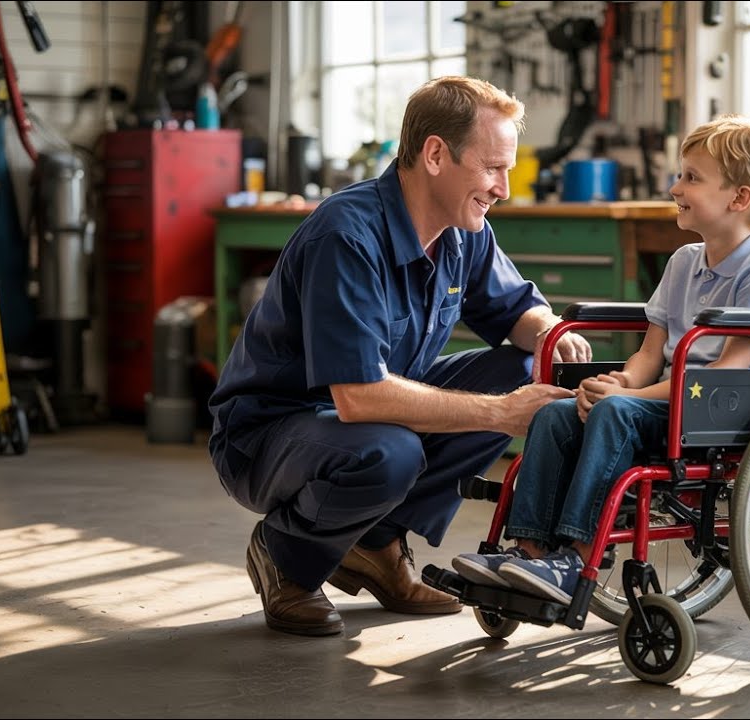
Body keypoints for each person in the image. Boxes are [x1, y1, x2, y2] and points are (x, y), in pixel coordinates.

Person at [208, 76, 591, 637]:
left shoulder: (465, 229)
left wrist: (555, 335)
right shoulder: (347, 235)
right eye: (492, 168)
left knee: (523, 367)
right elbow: (359, 397)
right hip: (269, 434)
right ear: (436, 154)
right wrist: (502, 415)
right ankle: (286, 558)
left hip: (361, 419)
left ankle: (376, 543)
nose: (504, 188)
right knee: (390, 451)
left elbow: (516, 312)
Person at [451, 114, 750, 604]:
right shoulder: (683, 262)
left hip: (718, 410)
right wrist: (617, 381)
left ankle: (575, 556)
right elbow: (649, 353)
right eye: (680, 173)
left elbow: (726, 374)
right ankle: (530, 549)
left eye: (691, 177)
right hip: (665, 400)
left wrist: (629, 397)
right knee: (558, 410)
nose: (675, 185)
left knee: (616, 411)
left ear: (739, 198)